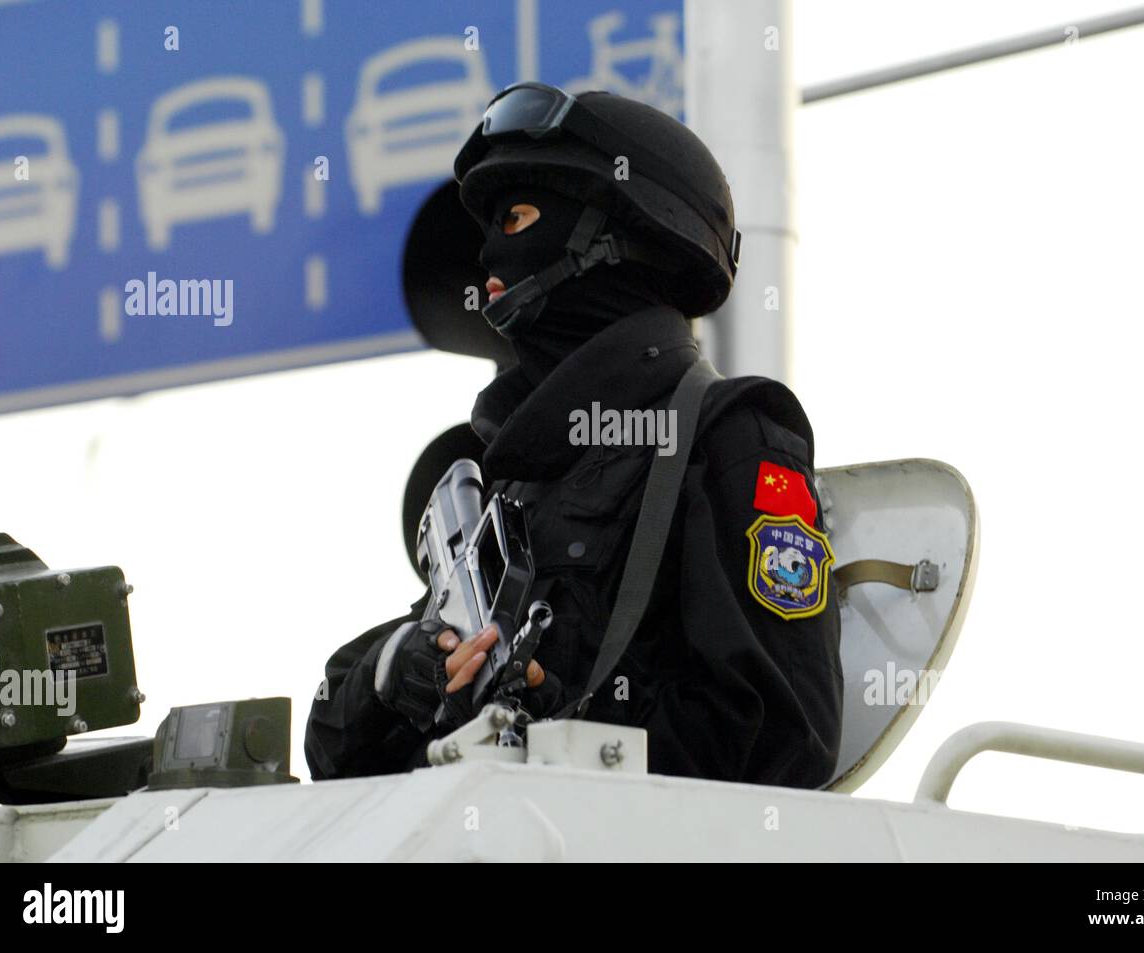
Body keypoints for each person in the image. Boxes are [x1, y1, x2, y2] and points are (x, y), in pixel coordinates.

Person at [305, 83, 842, 788]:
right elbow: (329, 751)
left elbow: (785, 737)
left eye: (518, 217)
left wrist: (573, 723)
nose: (490, 254)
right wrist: (394, 671)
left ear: (613, 236)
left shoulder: (732, 437)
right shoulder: (521, 480)